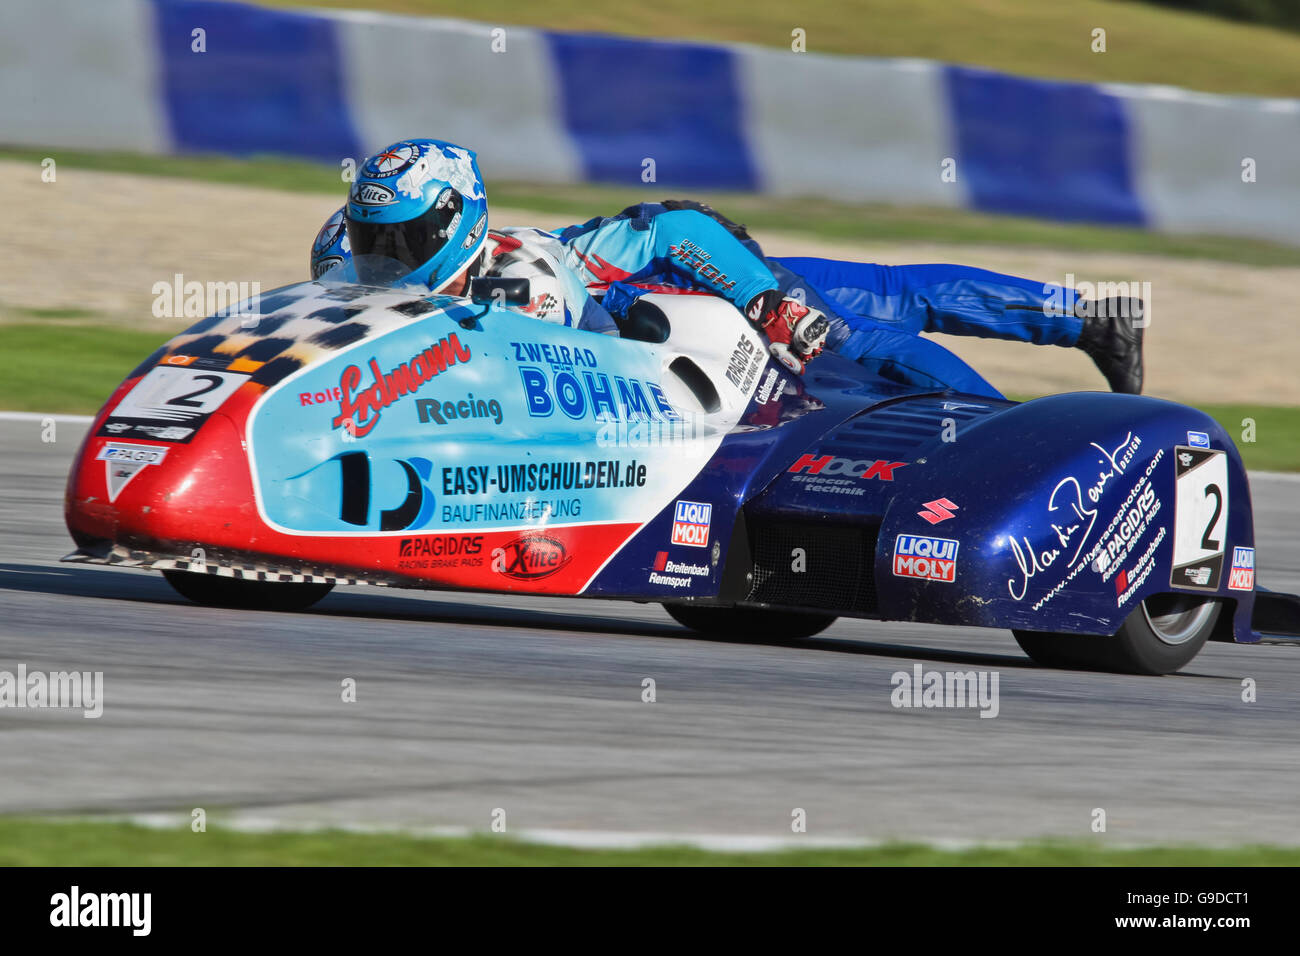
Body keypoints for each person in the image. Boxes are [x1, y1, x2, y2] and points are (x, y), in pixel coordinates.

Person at [314, 139, 1144, 393]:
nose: (379, 258)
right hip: (705, 314)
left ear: (456, 224)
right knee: (896, 291)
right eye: (368, 239)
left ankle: (1007, 437)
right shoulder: (355, 262)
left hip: (722, 308)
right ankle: (1090, 319)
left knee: (858, 338)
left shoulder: (534, 275)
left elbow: (671, 224)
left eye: (399, 241)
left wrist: (768, 301)